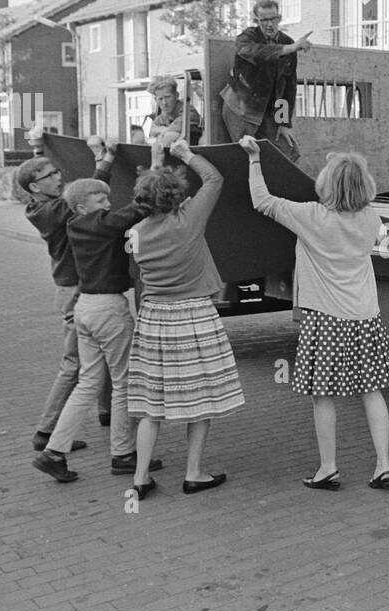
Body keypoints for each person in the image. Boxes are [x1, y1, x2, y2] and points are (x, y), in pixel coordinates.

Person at [240, 136, 389, 491]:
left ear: (327, 184)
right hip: (365, 317)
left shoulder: (310, 217)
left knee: (323, 395)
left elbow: (261, 201)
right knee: (372, 392)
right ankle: (383, 465)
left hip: (325, 319)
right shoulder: (371, 219)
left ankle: (329, 468)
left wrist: (253, 158)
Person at [32, 145, 161, 484]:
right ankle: (122, 453)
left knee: (88, 382)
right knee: (122, 382)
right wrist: (155, 171)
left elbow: (116, 213)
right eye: (101, 200)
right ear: (81, 207)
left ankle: (54, 451)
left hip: (85, 307)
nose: (107, 203)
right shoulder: (102, 223)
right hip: (108, 308)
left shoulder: (74, 225)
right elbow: (137, 210)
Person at [124, 139, 244, 499]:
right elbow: (214, 180)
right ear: (176, 197)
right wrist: (185, 154)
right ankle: (194, 473)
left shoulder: (135, 233)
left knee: (150, 403)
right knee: (200, 398)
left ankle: (141, 476)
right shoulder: (188, 221)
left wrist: (155, 161)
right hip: (194, 314)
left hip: (154, 317)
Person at [17, 155, 114, 450]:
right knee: (73, 363)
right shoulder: (48, 210)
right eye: (51, 175)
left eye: (57, 171)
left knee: (103, 349)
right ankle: (46, 432)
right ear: (35, 186)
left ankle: (107, 412)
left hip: (77, 285)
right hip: (74, 288)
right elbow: (86, 195)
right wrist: (105, 162)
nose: (59, 177)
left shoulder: (46, 206)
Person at [220, 0, 310, 163]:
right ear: (256, 21)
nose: (269, 24)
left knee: (288, 152)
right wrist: (288, 49)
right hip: (241, 109)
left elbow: (287, 87)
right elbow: (257, 53)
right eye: (264, 20)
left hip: (267, 112)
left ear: (279, 18)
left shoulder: (288, 42)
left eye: (273, 19)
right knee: (248, 157)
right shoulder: (246, 38)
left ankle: (276, 188)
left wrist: (283, 123)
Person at [144, 77, 202, 147]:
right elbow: (152, 132)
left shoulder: (188, 112)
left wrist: (160, 133)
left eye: (167, 97)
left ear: (176, 95)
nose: (164, 102)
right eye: (160, 99)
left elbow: (166, 142)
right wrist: (162, 130)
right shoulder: (164, 114)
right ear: (155, 100)